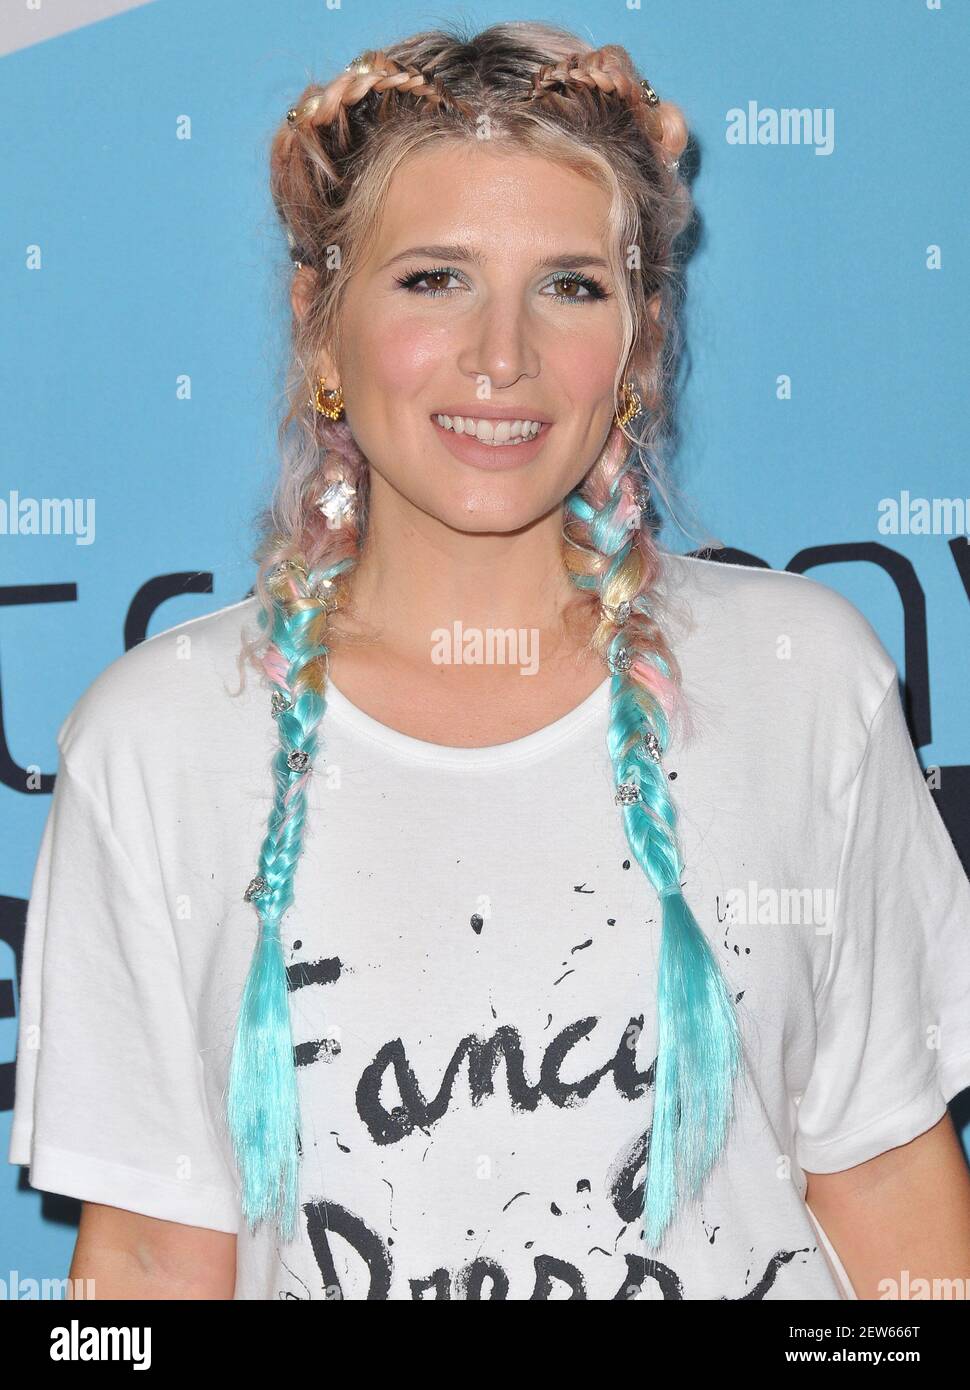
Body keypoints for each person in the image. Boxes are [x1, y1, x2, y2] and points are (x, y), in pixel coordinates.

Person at [8, 21, 970, 1301]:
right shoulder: (158, 740)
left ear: (638, 332)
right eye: (433, 279)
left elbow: (890, 1185)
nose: (502, 357)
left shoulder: (804, 676)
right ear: (319, 312)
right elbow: (136, 1265)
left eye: (569, 284)